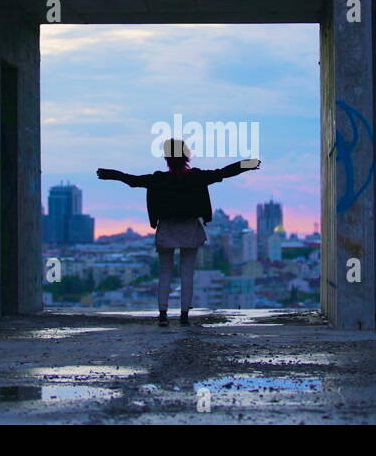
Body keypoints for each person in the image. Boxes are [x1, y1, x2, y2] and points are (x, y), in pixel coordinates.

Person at [97, 138, 261, 326]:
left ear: (166, 158)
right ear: (186, 156)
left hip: (167, 228)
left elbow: (132, 180)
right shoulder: (196, 177)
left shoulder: (158, 179)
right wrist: (247, 164)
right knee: (187, 273)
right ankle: (184, 315)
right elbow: (223, 173)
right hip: (190, 228)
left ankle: (163, 314)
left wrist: (110, 174)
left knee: (165, 272)